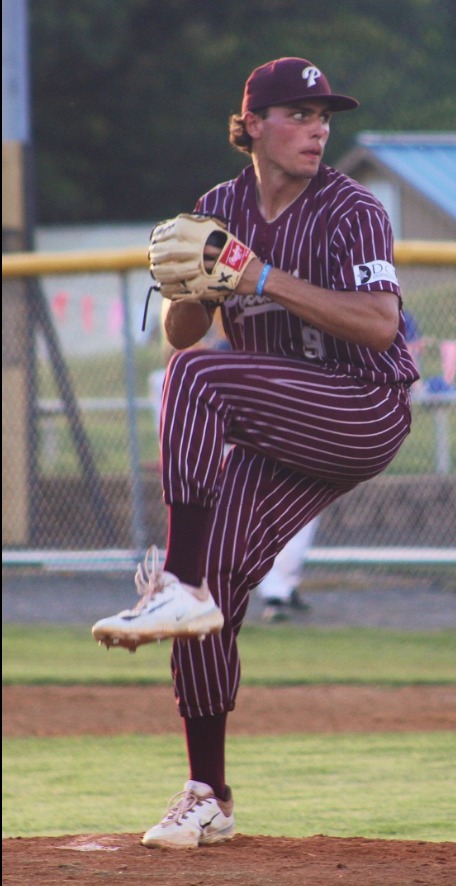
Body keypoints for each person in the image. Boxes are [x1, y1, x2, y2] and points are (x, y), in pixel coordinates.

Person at [92, 56, 419, 848]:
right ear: (255, 126)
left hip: (361, 406)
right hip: (277, 422)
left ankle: (177, 578)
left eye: (324, 116)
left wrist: (260, 275)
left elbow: (380, 325)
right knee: (214, 604)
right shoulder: (219, 207)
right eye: (300, 114)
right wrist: (187, 287)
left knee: (195, 379)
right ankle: (208, 792)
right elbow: (183, 334)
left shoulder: (352, 207)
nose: (317, 129)